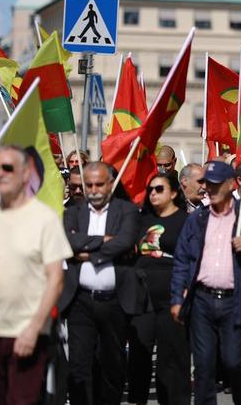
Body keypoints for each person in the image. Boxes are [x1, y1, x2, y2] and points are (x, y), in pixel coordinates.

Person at [0, 145, 72, 403]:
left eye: (7, 168)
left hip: (25, 332)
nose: (0, 174)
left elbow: (55, 280)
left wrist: (34, 328)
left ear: (24, 175)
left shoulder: (45, 219)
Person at [170, 161, 241, 405]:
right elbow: (182, 258)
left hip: (234, 300)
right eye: (207, 184)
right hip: (202, 300)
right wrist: (176, 297)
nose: (210, 189)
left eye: (216, 184)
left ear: (230, 184)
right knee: (204, 365)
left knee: (234, 362)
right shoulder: (197, 218)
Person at [60, 162, 141, 405]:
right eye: (89, 185)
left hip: (114, 301)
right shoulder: (72, 213)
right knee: (78, 364)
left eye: (99, 184)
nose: (93, 190)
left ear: (110, 185)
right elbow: (67, 241)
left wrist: (87, 253)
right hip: (81, 301)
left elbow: (125, 241)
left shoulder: (126, 211)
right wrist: (103, 241)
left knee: (112, 364)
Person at [128, 172, 190, 405]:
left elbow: (195, 259)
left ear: (173, 193)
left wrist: (185, 293)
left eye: (159, 189)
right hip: (142, 297)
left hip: (172, 297)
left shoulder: (185, 221)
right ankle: (138, 400)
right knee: (139, 354)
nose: (153, 193)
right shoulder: (141, 220)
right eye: (150, 189)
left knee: (171, 357)